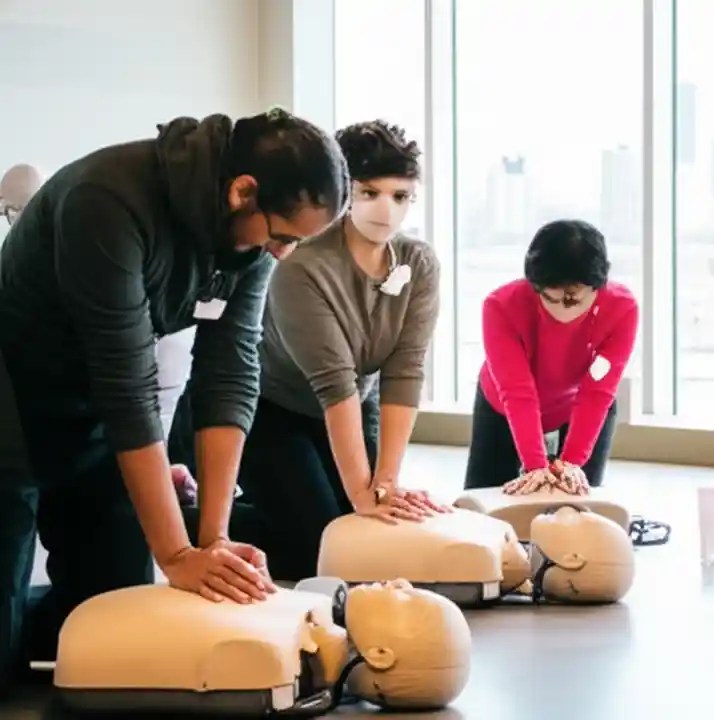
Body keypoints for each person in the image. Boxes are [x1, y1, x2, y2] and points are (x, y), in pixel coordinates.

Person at [0, 108, 348, 690]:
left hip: (94, 407)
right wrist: (177, 553)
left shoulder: (250, 243)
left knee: (116, 625)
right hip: (12, 391)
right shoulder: (107, 198)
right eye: (285, 236)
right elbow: (126, 382)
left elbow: (230, 372)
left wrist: (211, 539)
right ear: (243, 191)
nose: (285, 254)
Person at [236, 119, 447, 582]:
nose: (385, 210)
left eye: (401, 196)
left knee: (365, 530)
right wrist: (362, 494)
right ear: (343, 190)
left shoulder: (419, 262)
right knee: (322, 546)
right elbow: (334, 384)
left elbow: (405, 373)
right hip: (271, 409)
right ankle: (196, 520)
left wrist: (385, 485)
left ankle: (277, 501)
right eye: (369, 193)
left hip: (356, 405)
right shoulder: (301, 263)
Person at [463, 219, 639, 494]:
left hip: (583, 405)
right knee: (486, 505)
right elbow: (517, 391)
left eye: (573, 300)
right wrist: (535, 465)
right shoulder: (500, 306)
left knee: (578, 505)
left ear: (598, 285)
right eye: (550, 299)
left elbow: (598, 390)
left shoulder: (621, 308)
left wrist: (571, 462)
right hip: (503, 405)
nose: (562, 311)